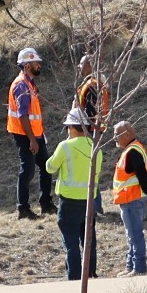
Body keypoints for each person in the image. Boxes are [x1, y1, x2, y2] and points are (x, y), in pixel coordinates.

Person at [45, 108, 104, 280]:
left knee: (71, 242)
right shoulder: (96, 147)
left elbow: (50, 167)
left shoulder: (65, 146)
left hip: (69, 202)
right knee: (89, 241)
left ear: (71, 127)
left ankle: (74, 278)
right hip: (89, 201)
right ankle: (90, 274)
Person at [7, 47, 54, 220]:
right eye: (36, 62)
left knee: (46, 167)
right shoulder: (21, 85)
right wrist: (32, 140)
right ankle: (23, 209)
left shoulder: (29, 84)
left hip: (35, 134)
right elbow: (23, 115)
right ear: (27, 65)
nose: (39, 65)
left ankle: (46, 204)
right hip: (25, 135)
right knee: (27, 171)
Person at [111, 120, 147, 276]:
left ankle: (138, 268)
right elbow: (143, 174)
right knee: (131, 235)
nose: (114, 138)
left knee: (135, 235)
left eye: (116, 134)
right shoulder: (133, 149)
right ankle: (130, 266)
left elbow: (142, 174)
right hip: (131, 199)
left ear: (127, 134)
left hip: (132, 200)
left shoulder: (132, 151)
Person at [74, 55, 110, 137]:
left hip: (89, 131)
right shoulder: (94, 83)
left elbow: (90, 113)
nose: (78, 66)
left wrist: (83, 129)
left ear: (89, 66)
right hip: (93, 130)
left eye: (81, 64)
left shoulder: (92, 85)